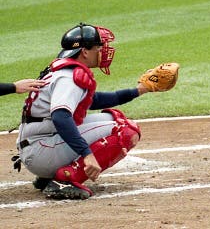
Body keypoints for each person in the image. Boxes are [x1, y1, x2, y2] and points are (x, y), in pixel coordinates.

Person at [13, 24, 172, 200]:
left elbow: (95, 100)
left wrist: (140, 90)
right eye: (98, 47)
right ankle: (63, 180)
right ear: (85, 52)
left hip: (40, 144)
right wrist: (86, 154)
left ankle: (48, 176)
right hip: (42, 150)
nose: (103, 51)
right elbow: (60, 117)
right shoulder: (69, 77)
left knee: (114, 118)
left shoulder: (64, 70)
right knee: (126, 130)